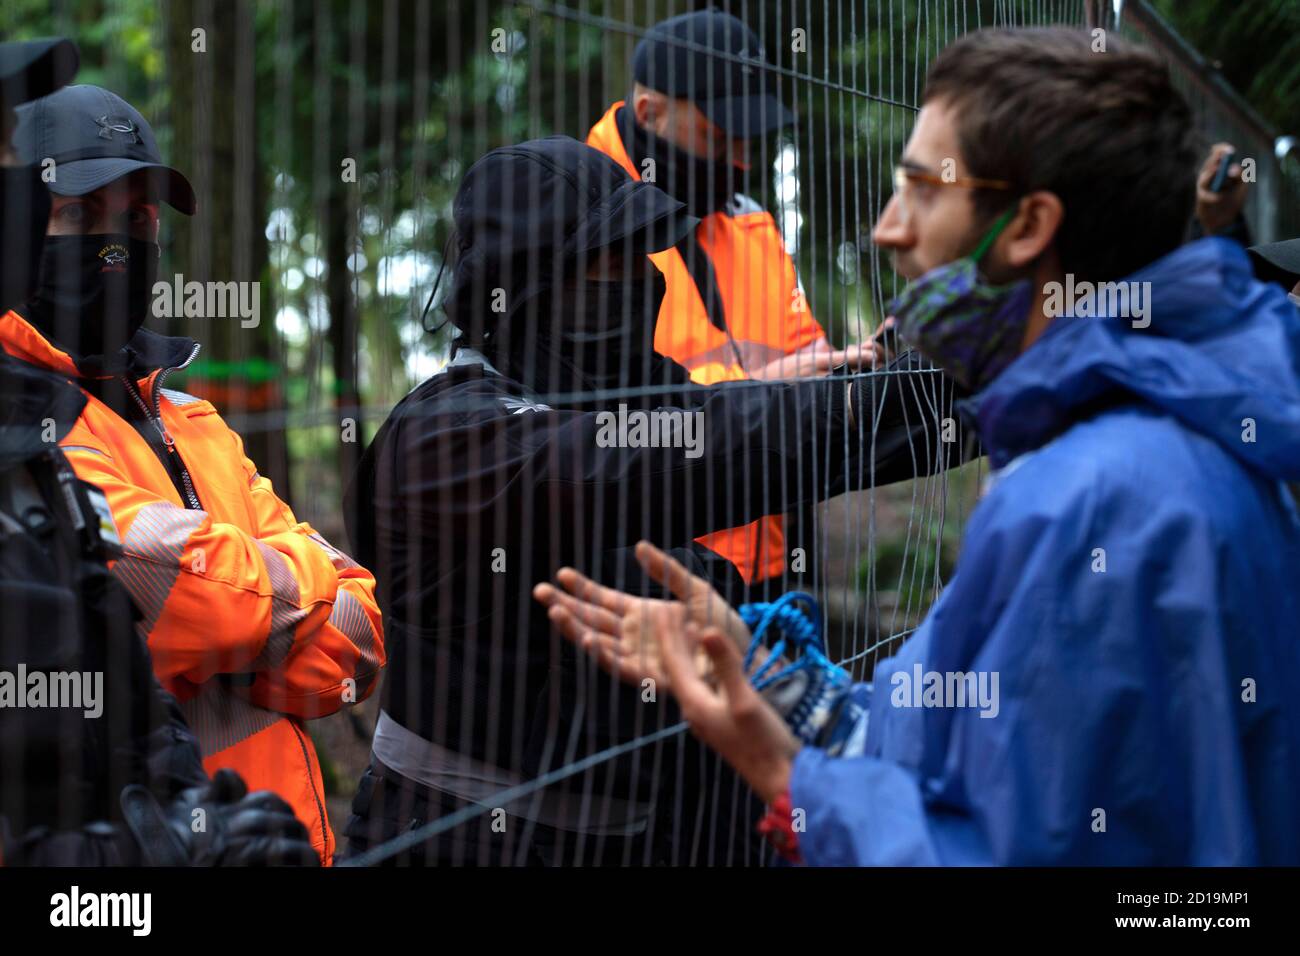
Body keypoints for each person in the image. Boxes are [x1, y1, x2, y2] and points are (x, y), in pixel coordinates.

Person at [537, 27, 1300, 865]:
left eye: (920, 190)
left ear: (1028, 226)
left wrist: (791, 782)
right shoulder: (1132, 440)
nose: (886, 230)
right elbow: (977, 745)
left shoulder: (1090, 502)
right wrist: (775, 680)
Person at [342, 135, 963, 865]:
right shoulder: (447, 435)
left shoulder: (621, 389)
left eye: (641, 256)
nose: (639, 279)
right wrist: (885, 401)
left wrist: (970, 383)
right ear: (526, 285)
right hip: (460, 842)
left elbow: (743, 425)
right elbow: (694, 454)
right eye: (608, 263)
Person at [0, 84, 385, 865]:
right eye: (79, 214)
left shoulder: (190, 414)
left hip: (280, 842)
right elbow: (163, 588)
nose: (117, 244)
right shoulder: (20, 426)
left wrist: (231, 634)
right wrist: (292, 599)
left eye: (139, 218)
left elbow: (362, 633)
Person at [587, 9, 877, 588]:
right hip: (648, 573)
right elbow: (590, 414)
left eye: (748, 138)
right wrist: (763, 386)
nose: (741, 160)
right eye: (719, 137)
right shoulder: (581, 231)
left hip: (771, 556)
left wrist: (859, 364)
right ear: (649, 113)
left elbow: (808, 356)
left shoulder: (751, 223)